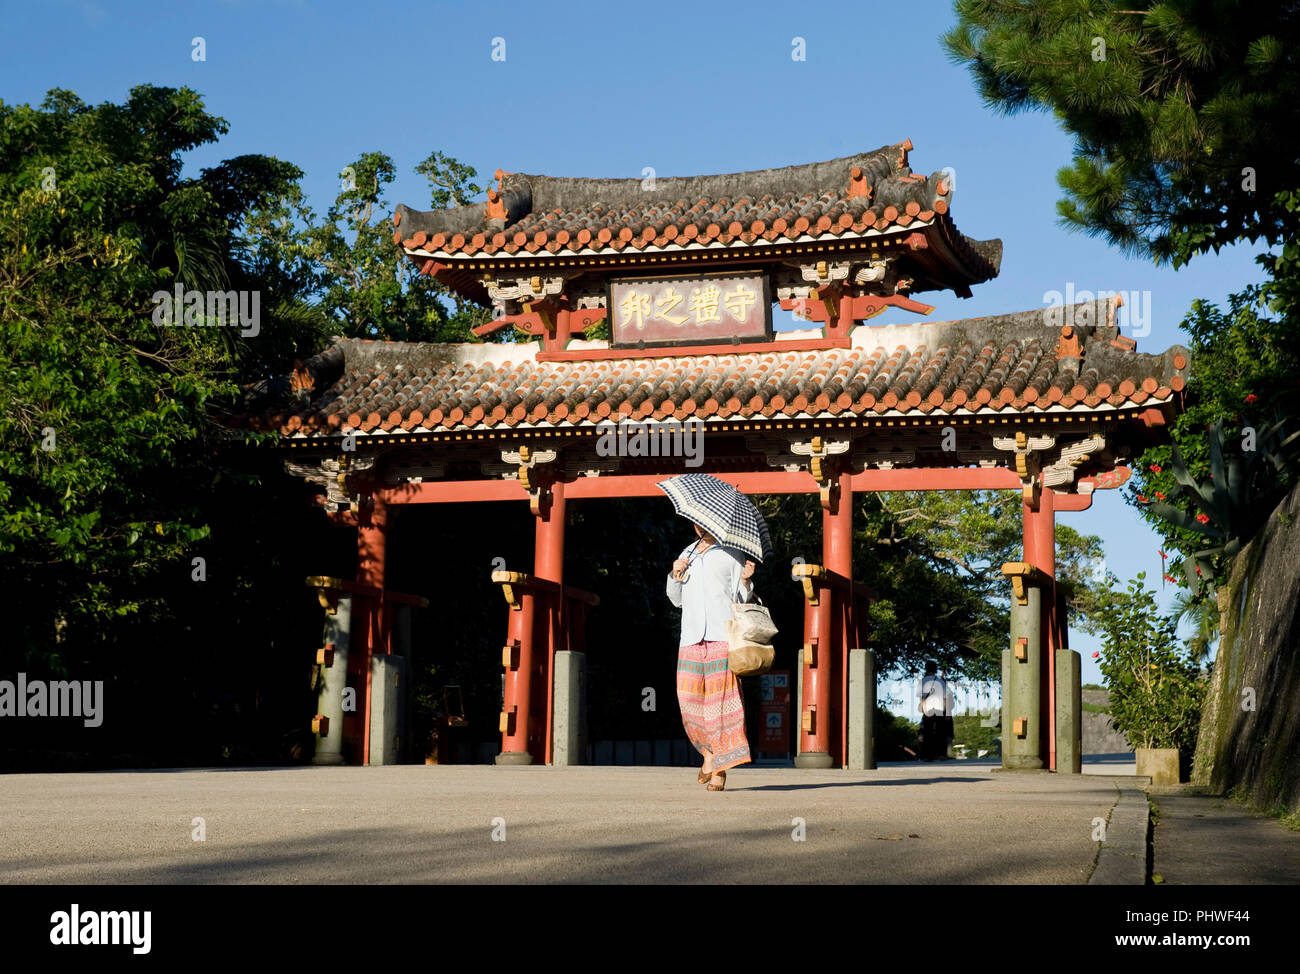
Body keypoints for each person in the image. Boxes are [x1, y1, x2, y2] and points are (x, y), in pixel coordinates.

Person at [667, 522, 755, 791]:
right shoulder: (687, 553)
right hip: (691, 637)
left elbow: (742, 597)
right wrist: (674, 574)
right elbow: (675, 599)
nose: (699, 526)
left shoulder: (732, 553)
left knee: (720, 704)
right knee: (688, 699)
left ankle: (720, 768)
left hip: (721, 635)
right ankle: (708, 753)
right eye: (696, 522)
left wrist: (746, 579)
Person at [916, 661, 955, 761]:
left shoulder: (923, 681)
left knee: (927, 732)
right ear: (935, 669)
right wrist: (947, 712)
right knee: (941, 732)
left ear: (926, 668)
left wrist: (924, 710)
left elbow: (922, 698)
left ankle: (927, 755)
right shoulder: (940, 681)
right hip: (940, 708)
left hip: (928, 708)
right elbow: (945, 697)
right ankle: (941, 754)